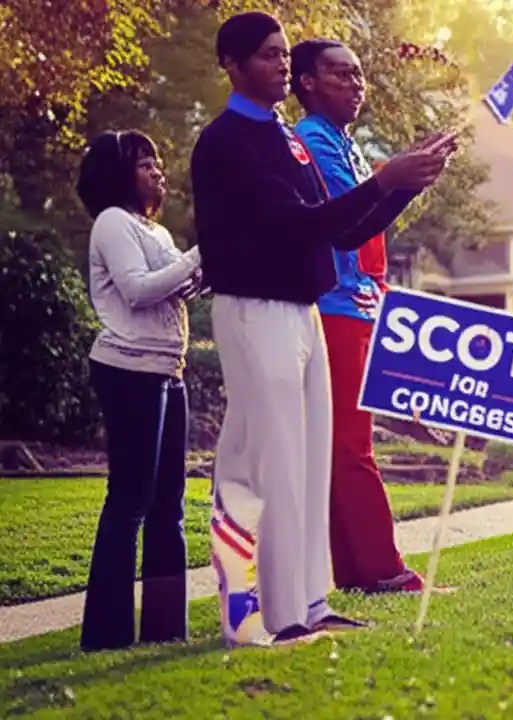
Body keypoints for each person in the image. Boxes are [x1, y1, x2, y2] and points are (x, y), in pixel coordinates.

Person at [192, 12, 450, 647]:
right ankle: (251, 613)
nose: (281, 63)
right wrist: (385, 179)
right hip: (256, 309)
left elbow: (341, 230)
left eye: (283, 53)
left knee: (307, 465)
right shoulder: (226, 141)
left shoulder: (287, 138)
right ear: (231, 64)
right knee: (262, 466)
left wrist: (399, 189)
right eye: (266, 56)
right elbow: (295, 224)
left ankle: (309, 603)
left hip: (303, 310)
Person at [291, 38, 460, 595]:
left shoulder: (346, 143)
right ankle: (383, 569)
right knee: (350, 446)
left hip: (359, 303)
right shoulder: (311, 140)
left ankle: (359, 571)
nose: (355, 84)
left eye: (359, 74)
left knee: (345, 444)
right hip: (335, 305)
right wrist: (397, 178)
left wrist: (410, 179)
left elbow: (371, 217)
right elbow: (346, 223)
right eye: (340, 74)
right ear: (308, 82)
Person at [76, 129, 203, 652]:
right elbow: (137, 289)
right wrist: (199, 257)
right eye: (144, 161)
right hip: (127, 369)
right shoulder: (112, 222)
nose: (157, 169)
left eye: (157, 160)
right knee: (129, 500)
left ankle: (165, 629)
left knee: (169, 503)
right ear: (117, 173)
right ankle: (106, 635)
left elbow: (171, 286)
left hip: (167, 371)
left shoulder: (154, 231)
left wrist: (199, 272)